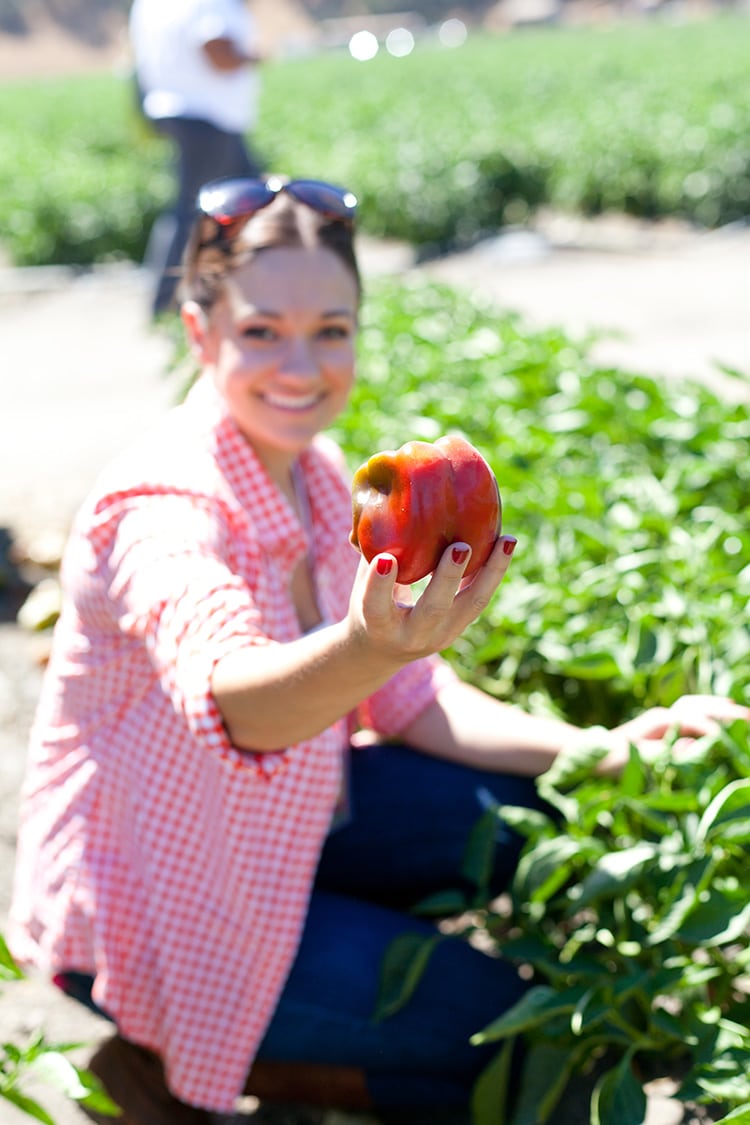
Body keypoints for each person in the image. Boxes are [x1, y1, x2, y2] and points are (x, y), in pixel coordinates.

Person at [9, 175, 749, 1125]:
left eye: (332, 328)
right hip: (162, 906)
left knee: (530, 818)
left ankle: (303, 1051)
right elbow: (231, 698)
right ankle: (168, 1070)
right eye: (262, 330)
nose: (303, 364)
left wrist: (607, 749)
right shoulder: (163, 505)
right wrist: (364, 647)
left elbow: (408, 704)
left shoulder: (318, 475)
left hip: (280, 829)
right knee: (525, 1050)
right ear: (200, 333)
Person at [129, 0, 264, 317]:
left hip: (185, 114)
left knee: (243, 204)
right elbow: (217, 53)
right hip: (210, 119)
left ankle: (229, 292)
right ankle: (167, 304)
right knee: (199, 214)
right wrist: (254, 55)